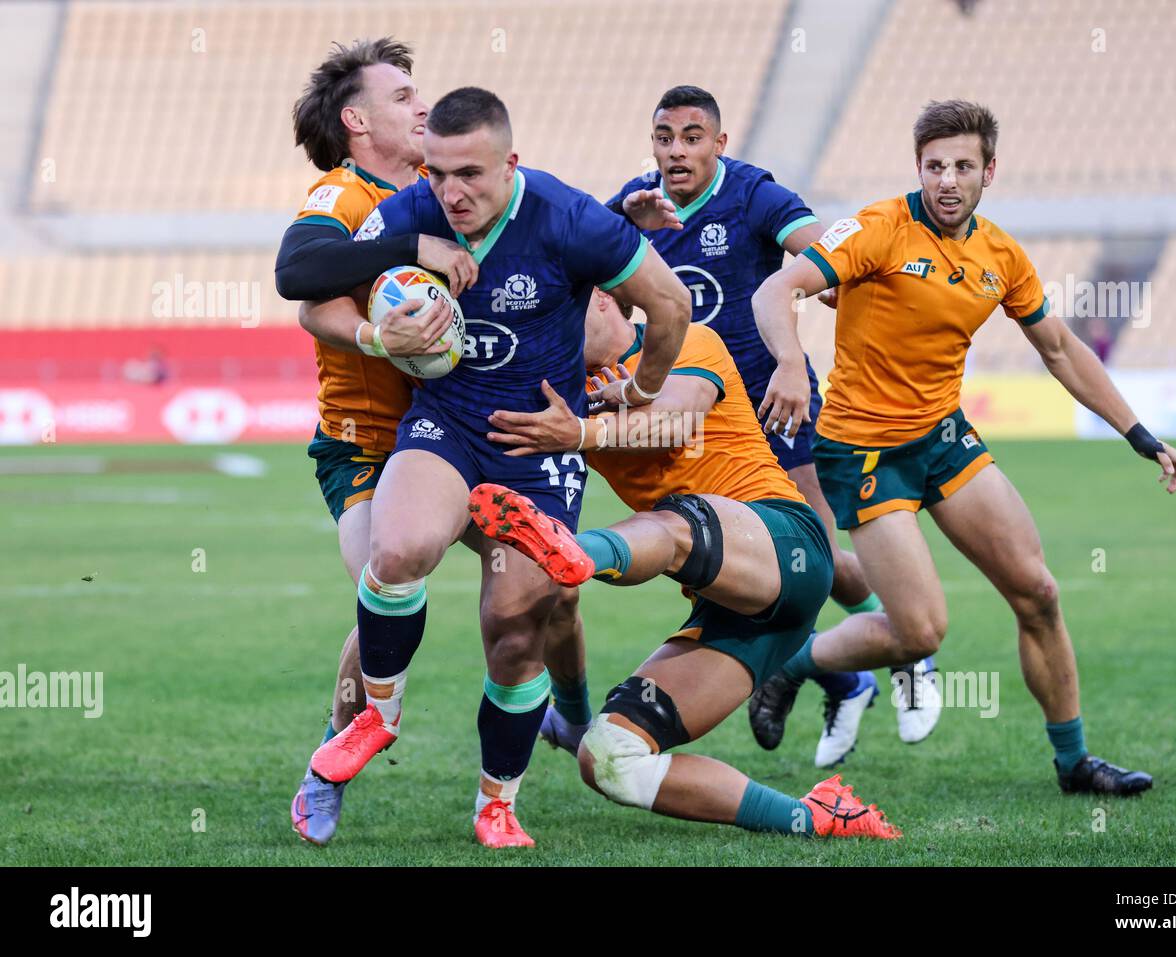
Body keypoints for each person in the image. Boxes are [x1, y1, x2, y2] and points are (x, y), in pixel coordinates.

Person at [749, 99, 1176, 796]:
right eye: (933, 166)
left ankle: (1074, 762)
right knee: (920, 632)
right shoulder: (876, 229)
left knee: (1038, 591)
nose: (947, 179)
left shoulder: (1002, 255)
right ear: (917, 167)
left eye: (961, 165)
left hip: (943, 437)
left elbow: (1060, 349)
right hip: (864, 450)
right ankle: (795, 664)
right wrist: (787, 363)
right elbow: (779, 288)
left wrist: (1138, 432)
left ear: (990, 170)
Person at [306, 87, 692, 848]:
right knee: (397, 549)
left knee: (516, 626)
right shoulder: (411, 212)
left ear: (511, 164)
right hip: (445, 423)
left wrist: (638, 391)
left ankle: (496, 801)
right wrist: (379, 334)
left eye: (471, 175)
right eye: (438, 172)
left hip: (536, 450)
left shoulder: (567, 217)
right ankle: (377, 714)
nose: (451, 192)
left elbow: (671, 304)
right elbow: (313, 303)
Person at [471, 291, 901, 840]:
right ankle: (816, 816)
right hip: (733, 609)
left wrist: (581, 433)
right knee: (610, 758)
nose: (548, 328)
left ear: (603, 299)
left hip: (784, 541)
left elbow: (674, 423)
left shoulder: (685, 341)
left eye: (561, 309)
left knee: (675, 522)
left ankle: (578, 552)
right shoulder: (567, 395)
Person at [596, 85, 938, 766]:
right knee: (731, 571)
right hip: (692, 418)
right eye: (665, 137)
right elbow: (580, 264)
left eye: (692, 137)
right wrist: (621, 218)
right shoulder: (636, 202)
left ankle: (903, 650)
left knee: (813, 552)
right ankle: (843, 676)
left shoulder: (752, 193)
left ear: (719, 144)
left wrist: (822, 303)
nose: (676, 151)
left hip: (771, 404)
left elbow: (816, 250)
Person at [272, 37, 470, 845]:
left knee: (543, 599)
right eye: (403, 96)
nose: (423, 107)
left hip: (460, 434)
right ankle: (333, 754)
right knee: (387, 584)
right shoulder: (342, 193)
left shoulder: (445, 186)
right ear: (357, 121)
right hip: (363, 445)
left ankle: (567, 713)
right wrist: (407, 254)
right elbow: (300, 274)